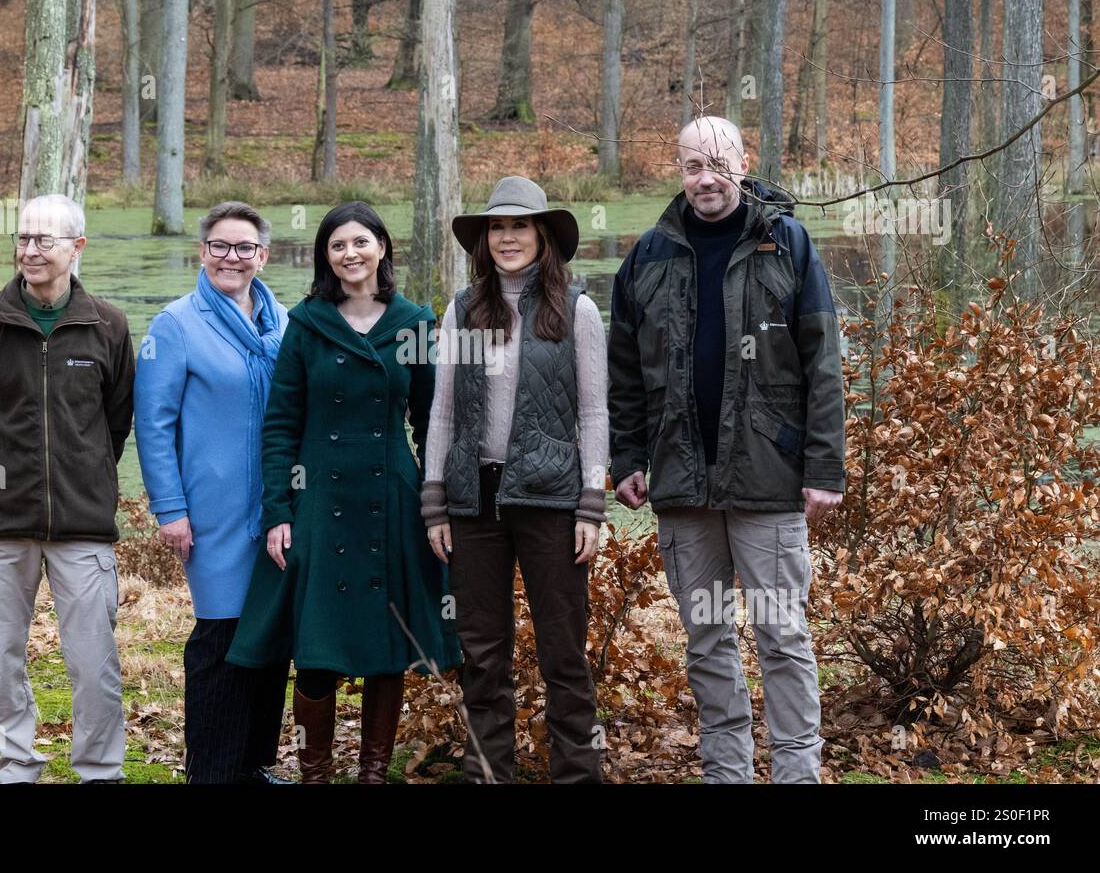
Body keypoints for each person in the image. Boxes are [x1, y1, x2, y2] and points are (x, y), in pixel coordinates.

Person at [607, 116, 846, 783]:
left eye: (717, 163)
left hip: (770, 478)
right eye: (691, 166)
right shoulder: (649, 255)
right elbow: (623, 370)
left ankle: (797, 774)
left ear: (743, 163)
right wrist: (627, 458)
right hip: (683, 484)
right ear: (678, 171)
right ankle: (728, 774)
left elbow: (824, 365)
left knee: (782, 636)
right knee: (707, 641)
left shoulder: (787, 244)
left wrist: (825, 467)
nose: (705, 178)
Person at [225, 201, 460, 783]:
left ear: (381, 246)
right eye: (337, 245)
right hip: (318, 503)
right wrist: (279, 509)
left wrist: (436, 506)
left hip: (393, 499)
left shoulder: (414, 322)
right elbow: (281, 423)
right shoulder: (307, 322)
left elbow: (433, 422)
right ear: (325, 257)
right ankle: (315, 773)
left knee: (387, 648)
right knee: (316, 651)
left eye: (360, 242)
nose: (349, 254)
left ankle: (373, 774)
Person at [421, 175, 609, 784]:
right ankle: (488, 775)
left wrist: (591, 505)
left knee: (563, 652)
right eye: (497, 227)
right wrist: (435, 502)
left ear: (542, 235)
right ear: (484, 239)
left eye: (519, 226)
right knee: (482, 655)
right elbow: (443, 411)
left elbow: (596, 412)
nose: (507, 237)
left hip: (552, 500)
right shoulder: (462, 310)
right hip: (473, 502)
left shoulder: (576, 308)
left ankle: (577, 774)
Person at [0, 194, 135, 784]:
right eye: (23, 238)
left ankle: (100, 771)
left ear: (76, 247)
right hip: (1, 527)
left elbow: (116, 420)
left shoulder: (108, 324)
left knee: (95, 662)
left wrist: (84, 479)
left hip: (84, 527)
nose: (30, 249)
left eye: (43, 240)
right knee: (3, 660)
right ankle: (16, 767)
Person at [134, 201, 292, 784]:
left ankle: (255, 765)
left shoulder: (284, 322)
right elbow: (153, 424)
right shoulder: (176, 325)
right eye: (221, 246)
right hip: (212, 512)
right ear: (203, 253)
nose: (232, 257)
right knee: (221, 637)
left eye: (244, 247)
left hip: (276, 509)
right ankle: (213, 771)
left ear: (263, 255)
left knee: (271, 638)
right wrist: (169, 508)